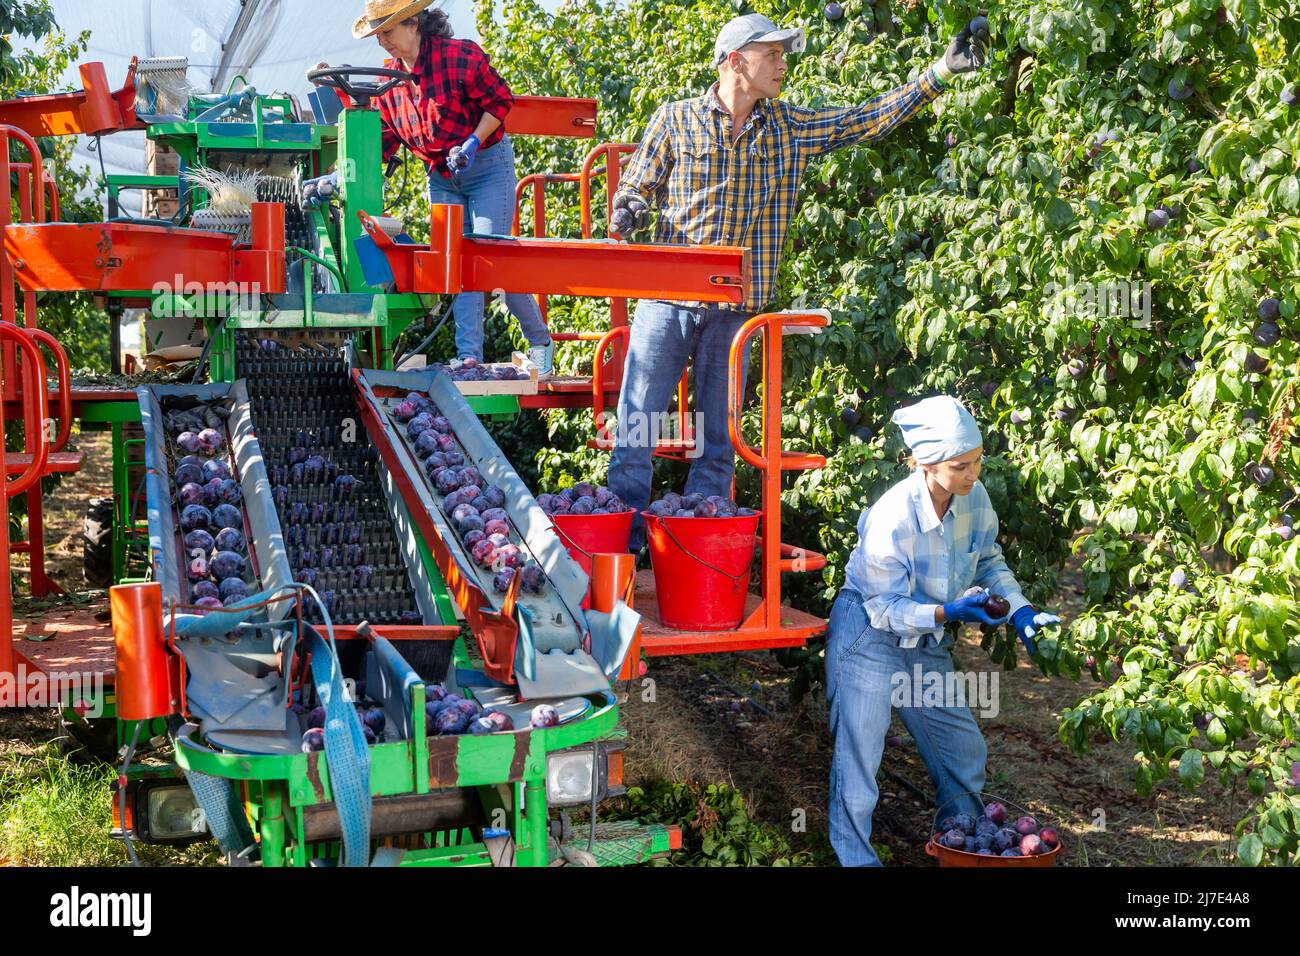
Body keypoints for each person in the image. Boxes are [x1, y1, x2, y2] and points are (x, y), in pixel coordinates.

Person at [606, 13, 988, 549]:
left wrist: (939, 74)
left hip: (736, 311)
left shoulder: (788, 128)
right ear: (736, 61)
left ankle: (692, 550)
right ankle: (619, 552)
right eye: (774, 54)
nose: (784, 64)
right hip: (666, 302)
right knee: (637, 429)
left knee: (719, 441)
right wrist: (630, 211)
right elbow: (637, 188)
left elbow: (864, 120)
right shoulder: (674, 120)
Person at [825, 395, 1062, 866]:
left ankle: (959, 847)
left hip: (926, 637)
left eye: (977, 461)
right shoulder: (891, 517)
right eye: (960, 466)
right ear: (924, 463)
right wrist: (951, 612)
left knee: (961, 750)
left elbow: (989, 558)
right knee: (860, 762)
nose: (972, 475)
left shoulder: (974, 498)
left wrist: (1021, 610)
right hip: (868, 635)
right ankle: (858, 861)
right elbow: (886, 607)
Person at [309, 0, 554, 374]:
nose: (382, 42)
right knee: (455, 261)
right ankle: (469, 357)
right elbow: (385, 140)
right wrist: (341, 174)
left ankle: (540, 342)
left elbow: (500, 101)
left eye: (387, 32)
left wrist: (472, 142)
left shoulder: (459, 57)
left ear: (413, 24)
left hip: (485, 165)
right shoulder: (389, 81)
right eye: (377, 35)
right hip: (440, 174)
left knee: (493, 263)